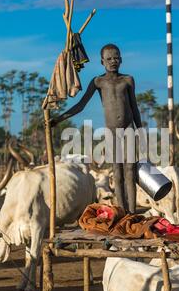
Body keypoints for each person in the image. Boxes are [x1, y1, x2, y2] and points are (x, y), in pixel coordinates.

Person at [52, 44, 143, 214]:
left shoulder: (128, 80)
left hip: (129, 128)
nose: (113, 61)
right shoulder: (98, 82)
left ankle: (132, 212)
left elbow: (134, 107)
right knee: (117, 171)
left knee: (130, 170)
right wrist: (58, 119)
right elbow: (81, 105)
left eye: (116, 57)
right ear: (102, 61)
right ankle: (122, 212)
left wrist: (141, 131)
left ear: (121, 59)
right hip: (111, 131)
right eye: (109, 59)